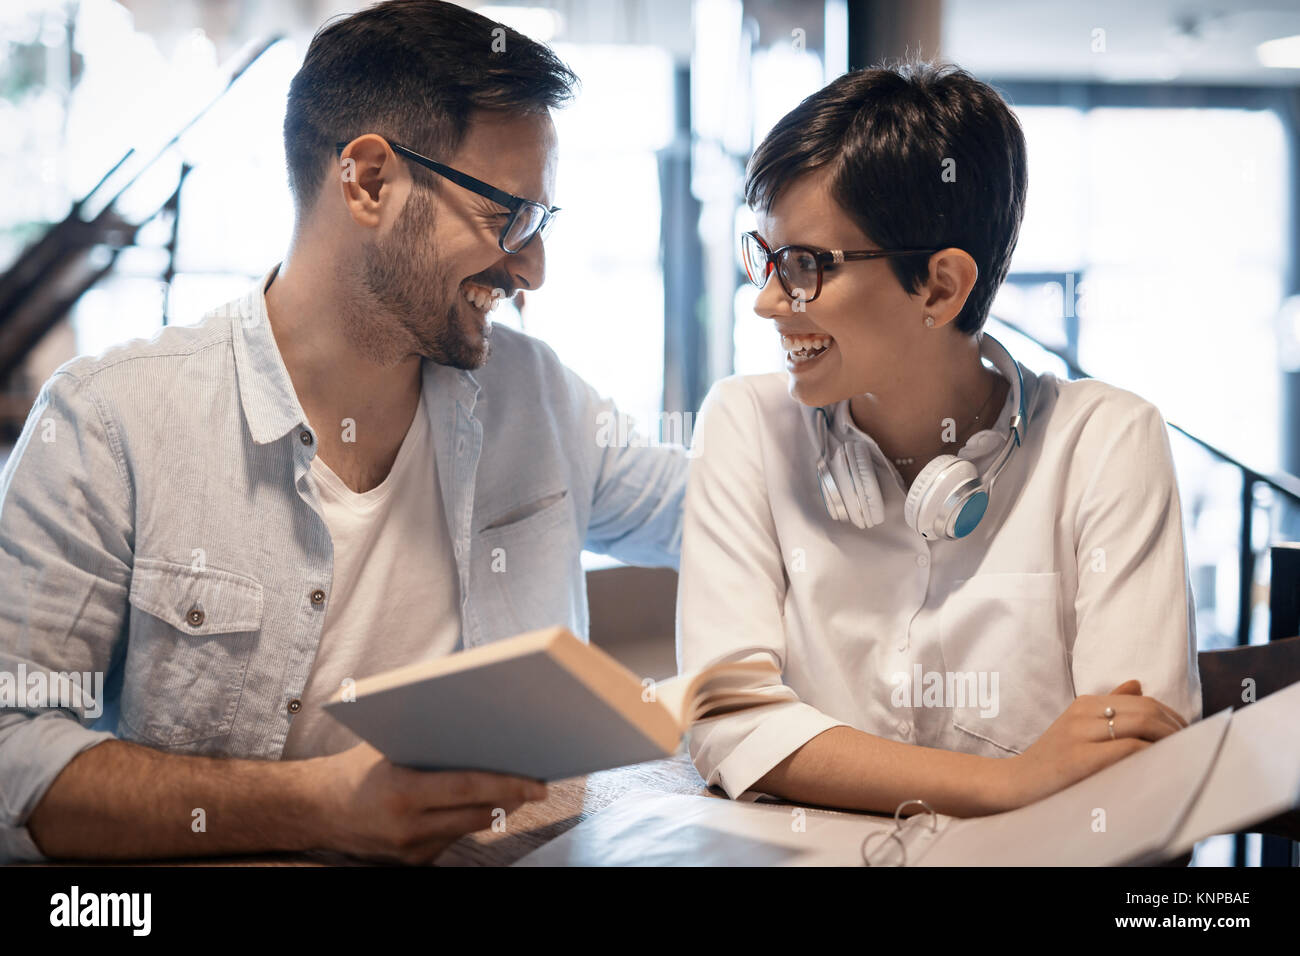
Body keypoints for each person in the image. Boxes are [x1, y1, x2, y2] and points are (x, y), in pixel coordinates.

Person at [0, 0, 686, 864]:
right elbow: (15, 761)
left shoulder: (536, 396)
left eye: (541, 222)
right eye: (510, 215)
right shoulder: (107, 424)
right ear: (366, 181)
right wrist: (317, 808)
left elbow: (717, 506)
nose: (532, 267)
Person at [677, 62, 1201, 818]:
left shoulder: (1107, 442)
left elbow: (1131, 762)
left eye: (805, 268)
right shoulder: (745, 424)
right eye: (765, 257)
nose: (766, 303)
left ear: (941, 286)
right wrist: (1010, 780)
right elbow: (729, 721)